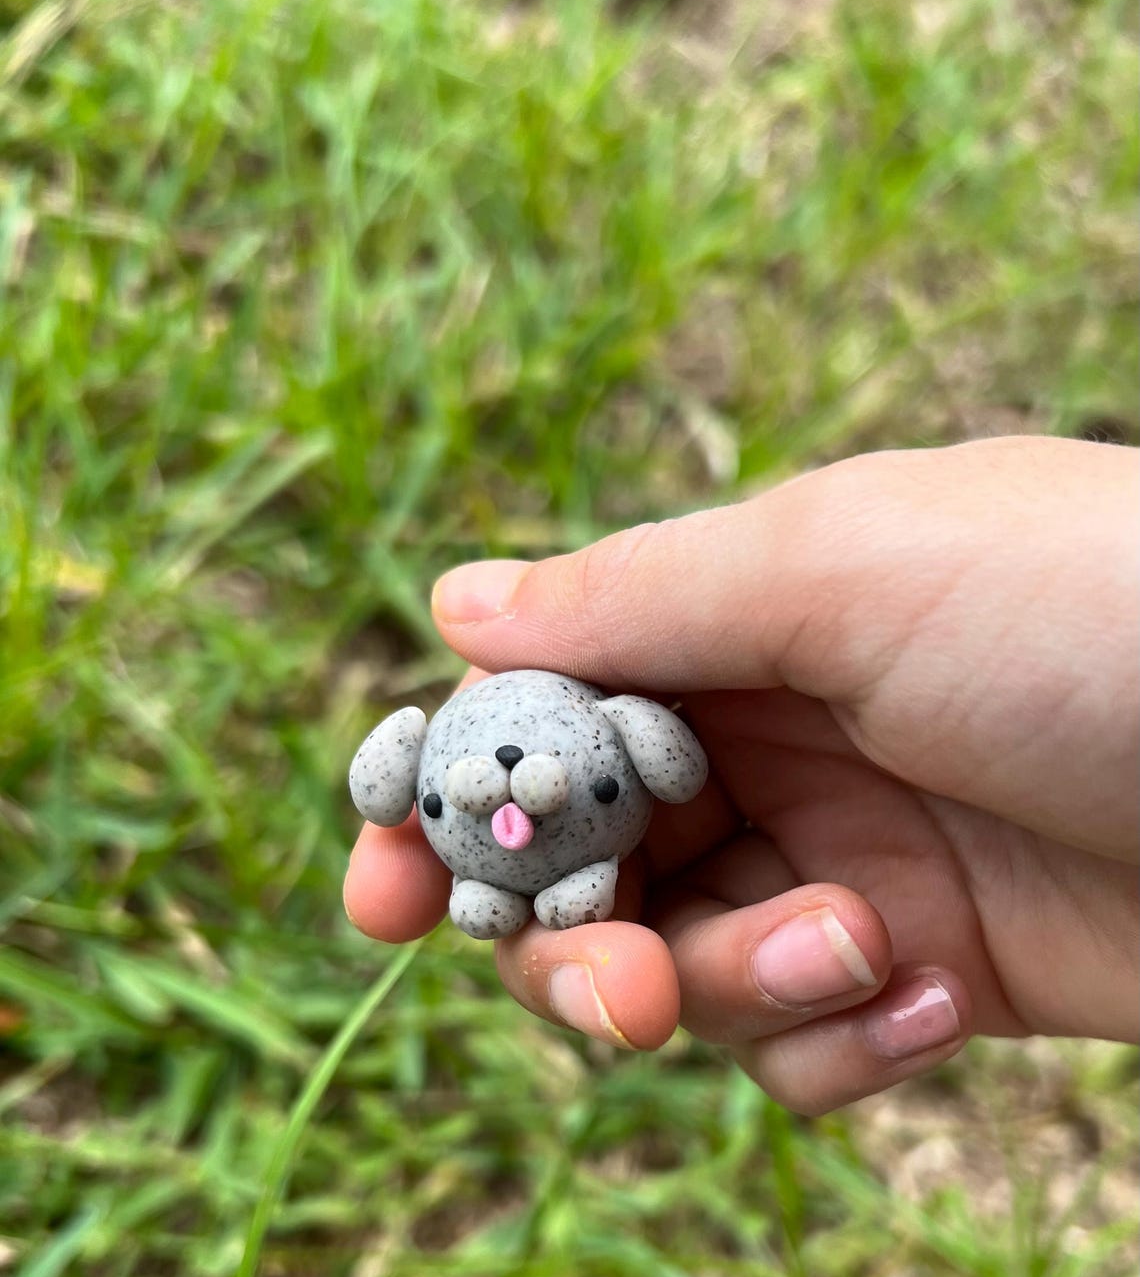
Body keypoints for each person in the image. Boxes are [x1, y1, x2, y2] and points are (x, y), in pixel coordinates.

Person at [344, 436, 1139, 1115]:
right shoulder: (438, 747)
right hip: (501, 876)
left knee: (602, 924)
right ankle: (516, 886)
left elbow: (678, 774)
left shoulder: (616, 724)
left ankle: (565, 881)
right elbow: (380, 790)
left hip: (591, 865)